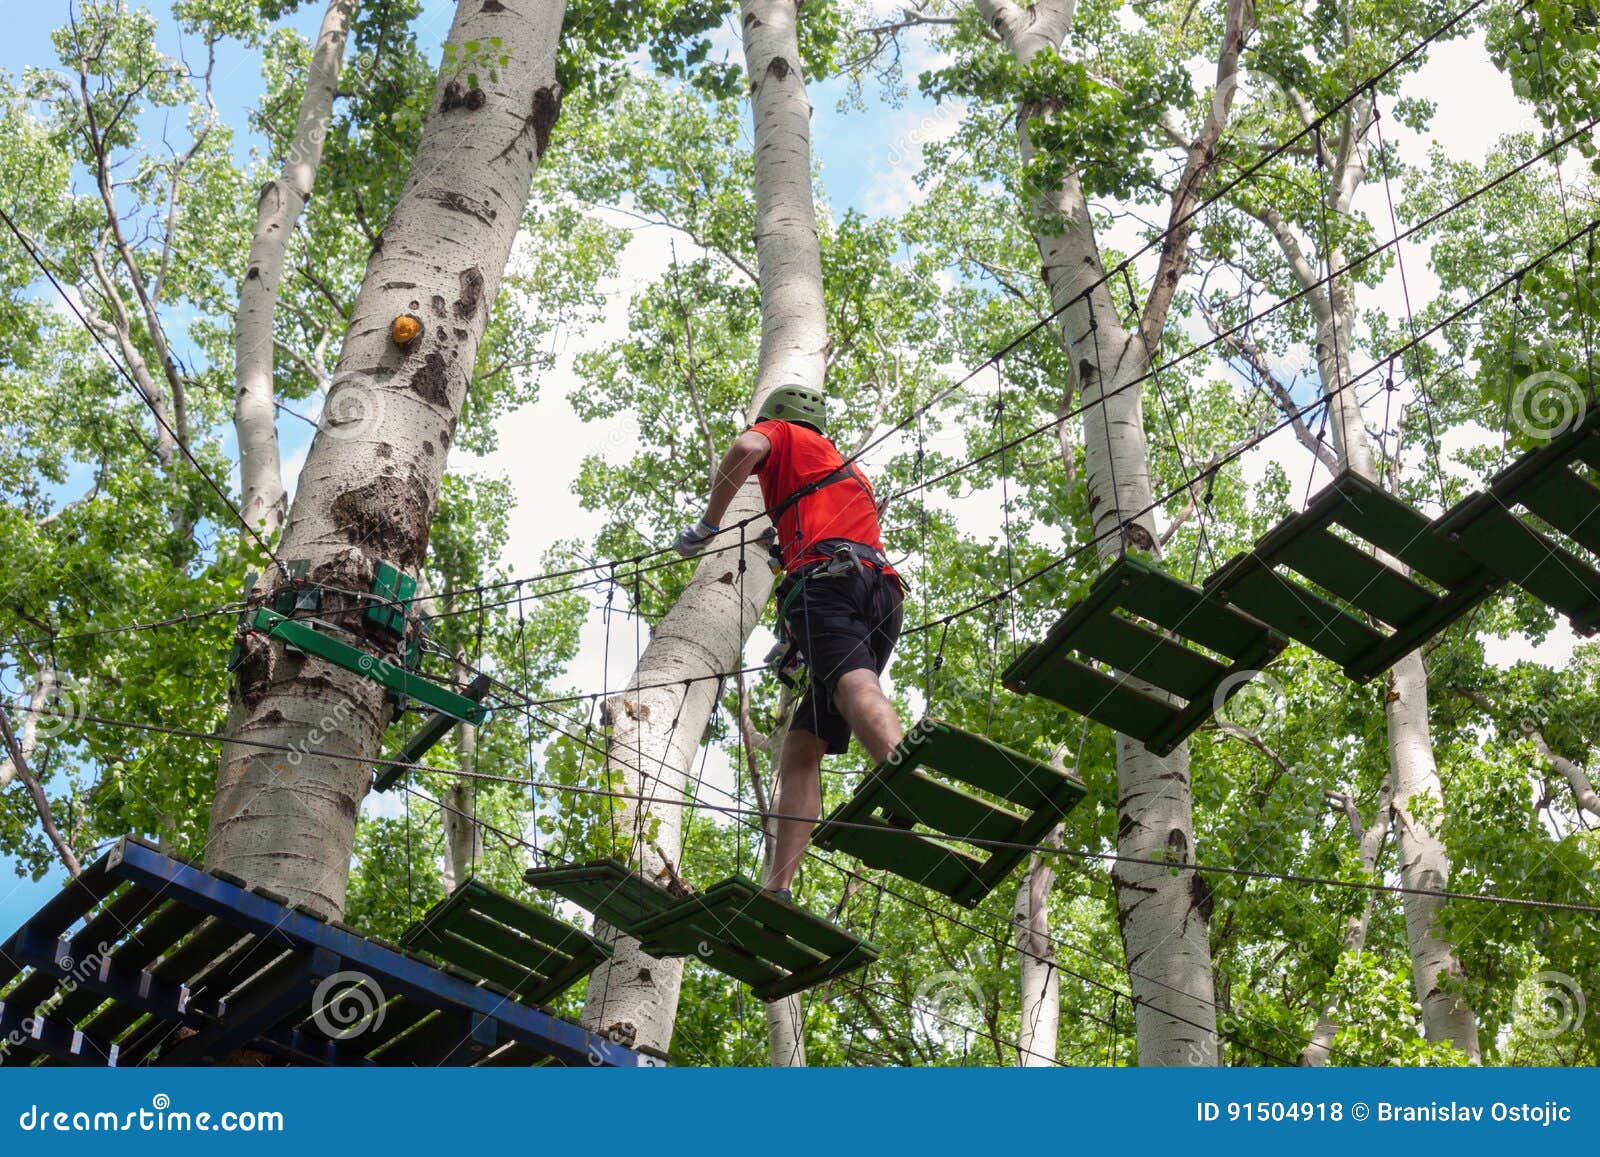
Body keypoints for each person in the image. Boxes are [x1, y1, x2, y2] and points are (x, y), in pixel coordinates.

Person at [673, 385, 906, 901]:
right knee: (802, 748)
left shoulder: (782, 433)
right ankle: (778, 886)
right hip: (882, 593)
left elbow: (746, 451)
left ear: (778, 417)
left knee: (852, 685)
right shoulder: (847, 472)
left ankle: (902, 777)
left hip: (829, 583)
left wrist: (709, 525)